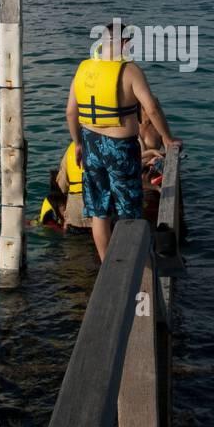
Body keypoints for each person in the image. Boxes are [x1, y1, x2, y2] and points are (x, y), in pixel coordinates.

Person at [66, 20, 180, 261]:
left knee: (99, 211)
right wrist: (168, 139)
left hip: (90, 145)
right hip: (120, 147)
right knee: (129, 211)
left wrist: (77, 142)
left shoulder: (84, 68)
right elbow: (152, 108)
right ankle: (131, 266)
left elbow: (70, 112)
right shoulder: (130, 70)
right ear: (124, 43)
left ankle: (107, 263)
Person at [37, 142, 91, 232]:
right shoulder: (104, 141)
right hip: (99, 212)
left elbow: (62, 185)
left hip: (76, 216)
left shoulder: (72, 148)